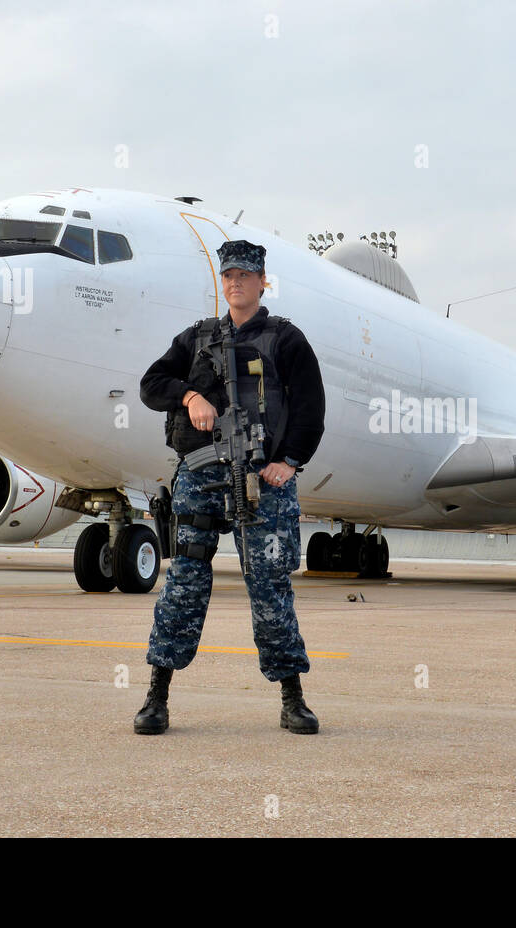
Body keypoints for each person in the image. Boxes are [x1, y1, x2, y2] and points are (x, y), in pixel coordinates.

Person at [135, 239, 326, 735]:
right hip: (200, 477)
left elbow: (311, 409)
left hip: (262, 479)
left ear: (263, 282)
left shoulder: (286, 340)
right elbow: (151, 383)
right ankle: (156, 697)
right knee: (183, 587)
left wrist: (290, 461)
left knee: (269, 588)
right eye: (228, 276)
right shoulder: (196, 339)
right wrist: (191, 393)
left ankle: (292, 698)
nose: (236, 282)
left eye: (245, 275)